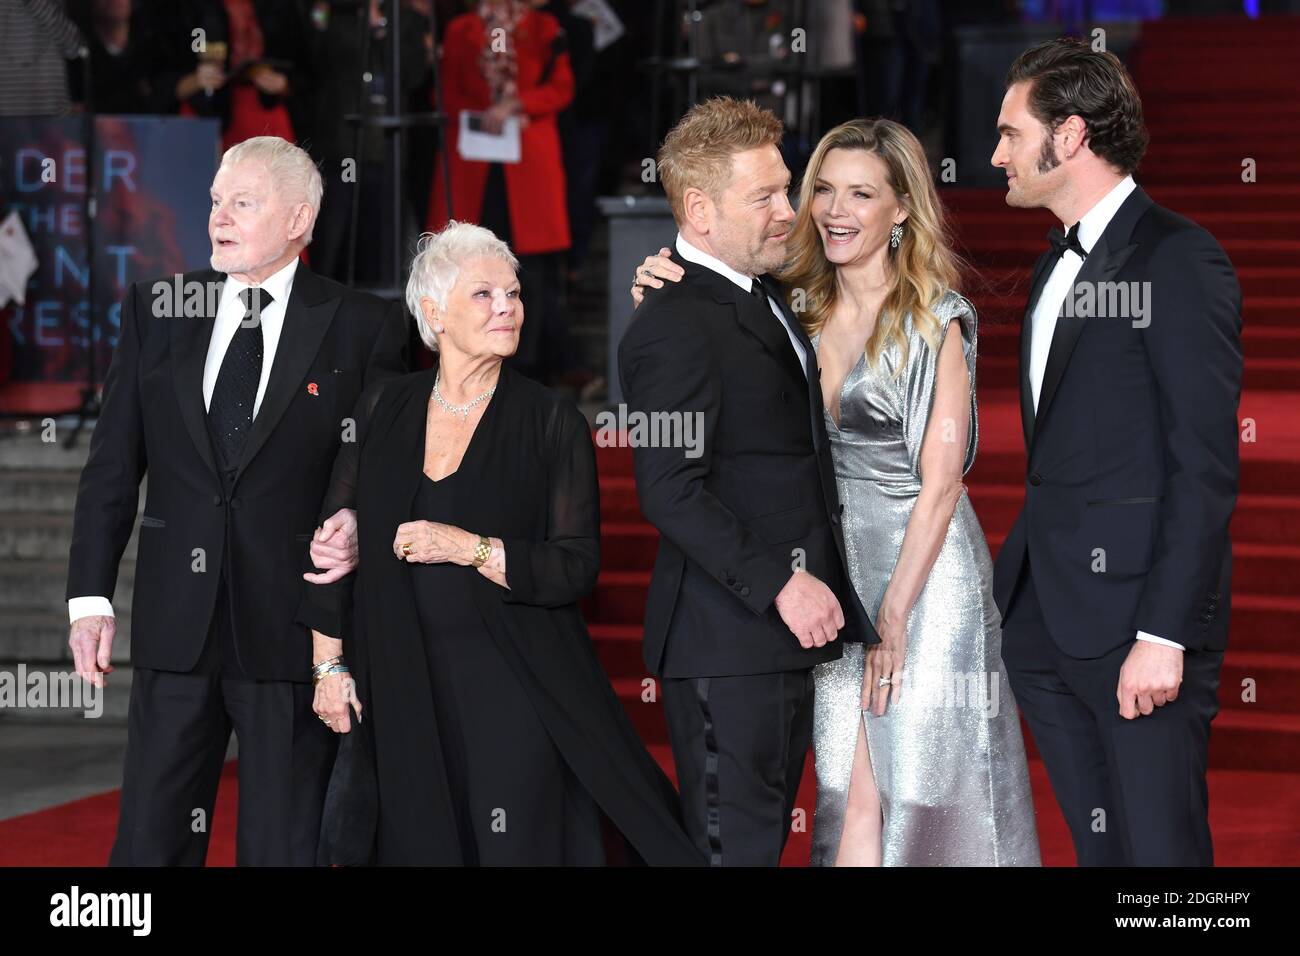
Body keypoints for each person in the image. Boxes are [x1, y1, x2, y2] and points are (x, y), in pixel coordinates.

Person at [631, 117, 1040, 866]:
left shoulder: (933, 320)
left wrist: (893, 611)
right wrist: (668, 273)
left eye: (860, 193)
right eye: (818, 188)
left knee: (920, 793)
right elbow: (700, 348)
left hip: (921, 575)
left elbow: (943, 485)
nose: (825, 209)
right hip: (824, 576)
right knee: (848, 792)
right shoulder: (793, 303)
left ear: (902, 209)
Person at [303, 221, 703, 866]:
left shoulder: (550, 420)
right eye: (485, 295)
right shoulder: (381, 409)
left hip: (517, 683)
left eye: (513, 294)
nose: (507, 308)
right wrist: (328, 666)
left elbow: (576, 567)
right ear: (433, 314)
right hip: (401, 679)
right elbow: (328, 555)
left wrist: (471, 549)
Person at [65, 136, 409, 866]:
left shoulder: (363, 325)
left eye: (242, 203)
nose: (218, 216)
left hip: (289, 634)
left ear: (298, 219)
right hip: (174, 634)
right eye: (216, 200)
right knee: (148, 847)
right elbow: (110, 467)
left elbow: (378, 468)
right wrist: (89, 599)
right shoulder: (158, 309)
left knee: (281, 848)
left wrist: (357, 520)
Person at [989, 38, 1242, 865]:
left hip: (1138, 626)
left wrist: (1166, 633)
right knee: (1104, 853)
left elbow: (1201, 463)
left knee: (1165, 862)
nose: (996, 156)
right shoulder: (1046, 271)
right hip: (1048, 622)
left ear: (1068, 137)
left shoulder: (1177, 256)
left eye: (1010, 134)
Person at [618, 97, 877, 867]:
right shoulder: (671, 322)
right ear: (698, 209)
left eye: (785, 188)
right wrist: (782, 586)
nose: (788, 211)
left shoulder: (754, 293)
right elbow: (668, 488)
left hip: (769, 642)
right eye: (764, 195)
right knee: (735, 851)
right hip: (729, 638)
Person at [427, 0, 576, 385]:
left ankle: (529, 370)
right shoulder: (462, 29)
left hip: (527, 161)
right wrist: (481, 116)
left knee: (531, 270)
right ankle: (464, 363)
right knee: (466, 259)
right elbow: (443, 91)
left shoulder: (544, 27)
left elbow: (562, 87)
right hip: (475, 160)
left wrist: (519, 104)